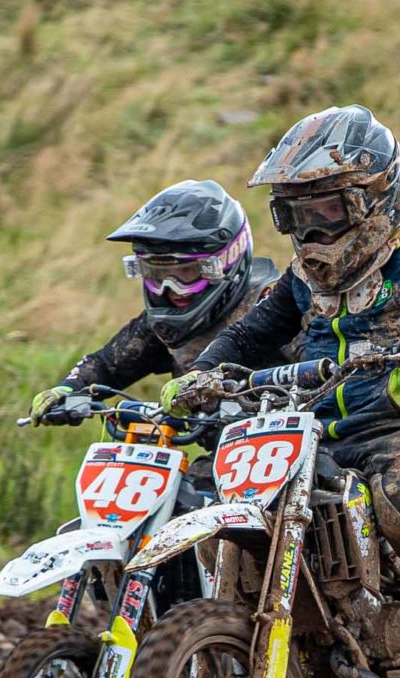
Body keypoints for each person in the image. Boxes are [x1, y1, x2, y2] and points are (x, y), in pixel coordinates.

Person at [161, 105, 400, 678]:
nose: (313, 231)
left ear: (374, 200)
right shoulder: (300, 282)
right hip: (314, 433)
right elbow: (248, 336)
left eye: (327, 211)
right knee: (231, 510)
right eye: (296, 215)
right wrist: (202, 376)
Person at [28, 179, 281, 486]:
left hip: (280, 456)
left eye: (186, 273)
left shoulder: (274, 309)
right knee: (167, 498)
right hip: (220, 460)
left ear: (225, 263)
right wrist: (68, 390)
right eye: (156, 273)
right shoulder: (163, 322)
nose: (170, 288)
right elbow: (108, 365)